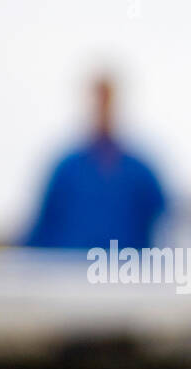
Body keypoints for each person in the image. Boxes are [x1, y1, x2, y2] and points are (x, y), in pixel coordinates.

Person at [23, 76, 167, 251]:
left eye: (107, 101)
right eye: (97, 101)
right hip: (67, 272)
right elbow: (40, 231)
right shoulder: (66, 170)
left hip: (127, 272)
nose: (102, 109)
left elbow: (166, 226)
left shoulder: (140, 172)